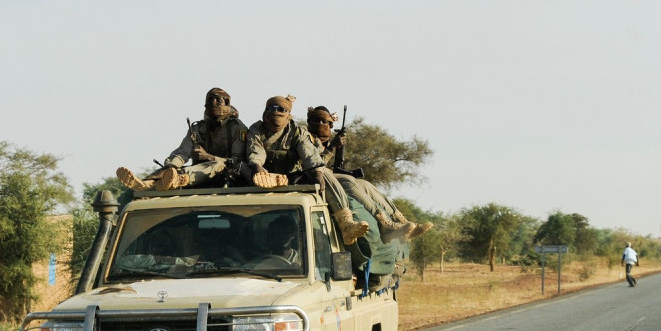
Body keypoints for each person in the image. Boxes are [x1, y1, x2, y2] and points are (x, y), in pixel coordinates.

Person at [241, 95, 370, 245]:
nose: (276, 112)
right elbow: (255, 151)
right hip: (260, 177)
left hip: (291, 178)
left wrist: (318, 172)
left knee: (324, 173)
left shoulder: (297, 132)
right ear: (265, 112)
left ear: (288, 114)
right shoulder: (256, 129)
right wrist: (257, 167)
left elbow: (310, 156)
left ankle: (346, 222)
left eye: (281, 109)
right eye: (272, 108)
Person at [306, 106, 432, 242]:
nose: (320, 125)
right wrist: (332, 148)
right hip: (311, 177)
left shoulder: (326, 141)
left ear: (330, 124)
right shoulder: (305, 139)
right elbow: (313, 165)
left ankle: (399, 221)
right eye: (316, 120)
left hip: (328, 176)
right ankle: (384, 225)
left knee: (365, 185)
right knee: (348, 180)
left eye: (324, 122)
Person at [116, 87, 248, 191]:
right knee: (170, 169)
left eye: (217, 100)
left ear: (227, 104)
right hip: (198, 174)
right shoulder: (198, 128)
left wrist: (209, 157)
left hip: (228, 174)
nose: (213, 103)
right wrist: (170, 166)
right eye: (209, 100)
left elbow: (238, 160)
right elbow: (182, 152)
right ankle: (148, 183)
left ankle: (179, 178)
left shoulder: (237, 128)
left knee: (217, 165)